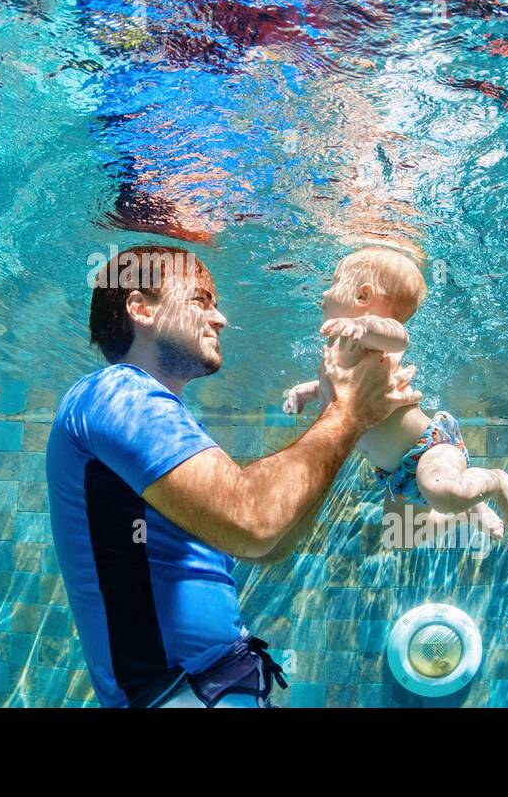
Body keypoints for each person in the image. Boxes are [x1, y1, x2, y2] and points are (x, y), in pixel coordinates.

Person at [45, 244, 421, 707]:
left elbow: (272, 544)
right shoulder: (116, 392)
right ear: (141, 308)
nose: (220, 318)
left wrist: (347, 415)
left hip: (216, 684)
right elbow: (255, 521)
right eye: (201, 301)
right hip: (176, 693)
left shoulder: (171, 420)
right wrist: (345, 414)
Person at [282, 245, 508, 545]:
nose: (324, 294)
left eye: (334, 283)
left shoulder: (372, 339)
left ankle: (496, 482)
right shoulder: (338, 352)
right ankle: (468, 511)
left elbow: (399, 336)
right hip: (398, 472)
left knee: (443, 493)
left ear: (363, 295)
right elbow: (334, 393)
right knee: (401, 537)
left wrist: (362, 326)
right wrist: (303, 393)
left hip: (430, 448)